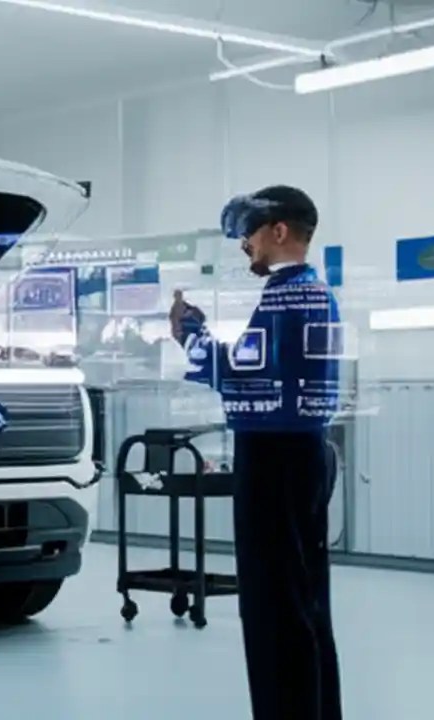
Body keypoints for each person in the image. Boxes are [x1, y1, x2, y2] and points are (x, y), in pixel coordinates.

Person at [170, 185, 343, 720]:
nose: (244, 243)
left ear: (280, 230)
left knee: (274, 604)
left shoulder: (291, 294)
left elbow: (246, 369)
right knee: (303, 599)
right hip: (298, 452)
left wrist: (190, 335)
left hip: (275, 456)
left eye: (249, 232)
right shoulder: (308, 292)